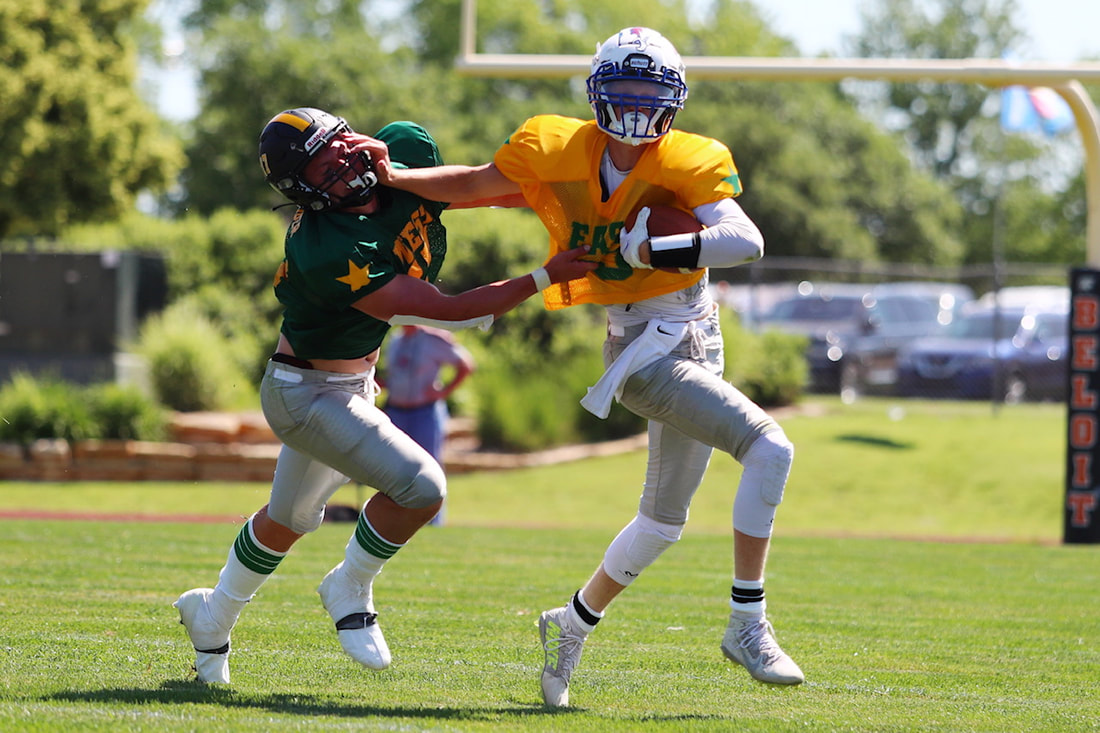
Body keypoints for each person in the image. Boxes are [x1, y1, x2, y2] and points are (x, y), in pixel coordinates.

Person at [376, 27, 804, 706]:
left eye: (650, 92)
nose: (636, 105)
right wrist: (395, 176)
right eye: (624, 89)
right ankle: (747, 623)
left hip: (699, 335)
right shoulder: (556, 145)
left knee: (662, 522)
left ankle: (569, 624)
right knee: (771, 448)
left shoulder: (688, 159)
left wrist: (656, 251)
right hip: (640, 350)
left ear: (674, 99)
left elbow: (744, 239)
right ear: (597, 94)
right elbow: (474, 184)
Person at [173, 106, 595, 684]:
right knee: (422, 488)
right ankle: (349, 584)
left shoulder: (401, 151)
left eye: (338, 141)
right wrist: (545, 276)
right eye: (322, 163)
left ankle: (212, 619)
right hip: (307, 394)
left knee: (289, 519)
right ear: (305, 191)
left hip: (348, 385)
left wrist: (594, 200)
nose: (342, 158)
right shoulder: (326, 247)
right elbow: (450, 313)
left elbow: (487, 190)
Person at [378, 324, 476, 526]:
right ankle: (395, 524)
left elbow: (466, 364)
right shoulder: (396, 339)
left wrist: (444, 392)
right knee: (394, 470)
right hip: (396, 412)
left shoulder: (433, 339)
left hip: (424, 412)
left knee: (429, 471)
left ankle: (433, 524)